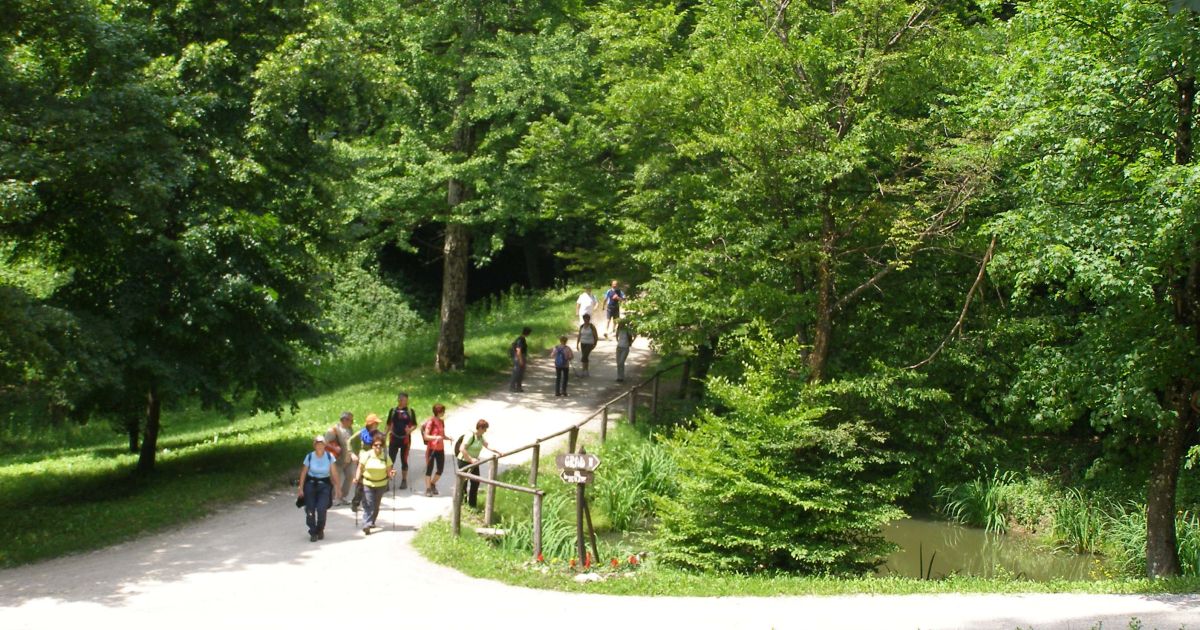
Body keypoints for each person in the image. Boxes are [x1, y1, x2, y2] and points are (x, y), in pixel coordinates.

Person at [298, 435, 341, 542]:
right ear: (314, 445)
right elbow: (303, 473)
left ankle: (320, 529)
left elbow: (334, 473)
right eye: (317, 444)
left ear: (325, 445)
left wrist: (338, 488)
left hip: (324, 485)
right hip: (311, 484)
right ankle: (313, 532)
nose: (320, 446)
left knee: (322, 508)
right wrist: (301, 488)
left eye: (321, 444)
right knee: (310, 509)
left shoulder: (329, 457)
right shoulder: (309, 456)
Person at [353, 430, 394, 535]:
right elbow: (360, 468)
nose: (378, 447)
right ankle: (366, 524)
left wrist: (392, 474)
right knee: (368, 503)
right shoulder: (367, 455)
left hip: (381, 484)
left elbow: (389, 471)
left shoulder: (385, 457)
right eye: (376, 445)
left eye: (380, 445)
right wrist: (356, 478)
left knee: (376, 505)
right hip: (368, 483)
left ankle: (372, 521)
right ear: (372, 446)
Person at [456, 419, 500, 509]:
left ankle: (472, 504)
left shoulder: (480, 437)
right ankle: (462, 503)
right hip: (464, 461)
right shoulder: (471, 435)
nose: (485, 431)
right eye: (484, 429)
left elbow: (488, 445)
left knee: (475, 481)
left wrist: (499, 452)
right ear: (480, 428)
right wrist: (470, 459)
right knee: (464, 483)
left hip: (474, 462)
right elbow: (462, 448)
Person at [420, 403, 454, 496]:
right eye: (443, 411)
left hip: (440, 449)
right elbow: (426, 436)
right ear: (439, 412)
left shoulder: (441, 422)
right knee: (429, 469)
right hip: (431, 449)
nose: (444, 413)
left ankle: (432, 484)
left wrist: (448, 438)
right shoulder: (431, 421)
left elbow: (442, 436)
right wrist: (435, 437)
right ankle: (428, 489)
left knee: (440, 470)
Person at [324, 411, 357, 505]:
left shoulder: (350, 429)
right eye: (351, 420)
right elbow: (324, 442)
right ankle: (334, 498)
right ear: (344, 420)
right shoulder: (333, 430)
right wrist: (335, 448)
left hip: (348, 458)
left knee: (350, 476)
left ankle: (342, 496)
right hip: (336, 459)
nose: (352, 422)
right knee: (335, 479)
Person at [349, 414, 379, 512]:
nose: (377, 425)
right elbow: (349, 441)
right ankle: (356, 503)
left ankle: (370, 503)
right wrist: (352, 454)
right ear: (370, 424)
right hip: (363, 460)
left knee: (373, 481)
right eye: (375, 423)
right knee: (361, 483)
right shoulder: (361, 433)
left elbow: (382, 446)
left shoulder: (378, 434)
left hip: (374, 460)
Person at [386, 393, 416, 490]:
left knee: (404, 460)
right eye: (404, 400)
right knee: (390, 461)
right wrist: (384, 434)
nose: (406, 402)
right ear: (399, 400)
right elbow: (388, 424)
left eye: (407, 400)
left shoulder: (410, 411)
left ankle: (404, 480)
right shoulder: (393, 411)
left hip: (405, 440)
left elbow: (415, 425)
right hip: (394, 438)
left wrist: (410, 430)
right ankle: (388, 480)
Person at [508, 327, 531, 392]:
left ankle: (518, 387)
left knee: (521, 373)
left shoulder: (522, 338)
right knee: (516, 372)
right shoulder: (520, 339)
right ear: (528, 333)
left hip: (520, 356)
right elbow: (518, 350)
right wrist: (520, 360)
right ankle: (512, 387)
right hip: (519, 357)